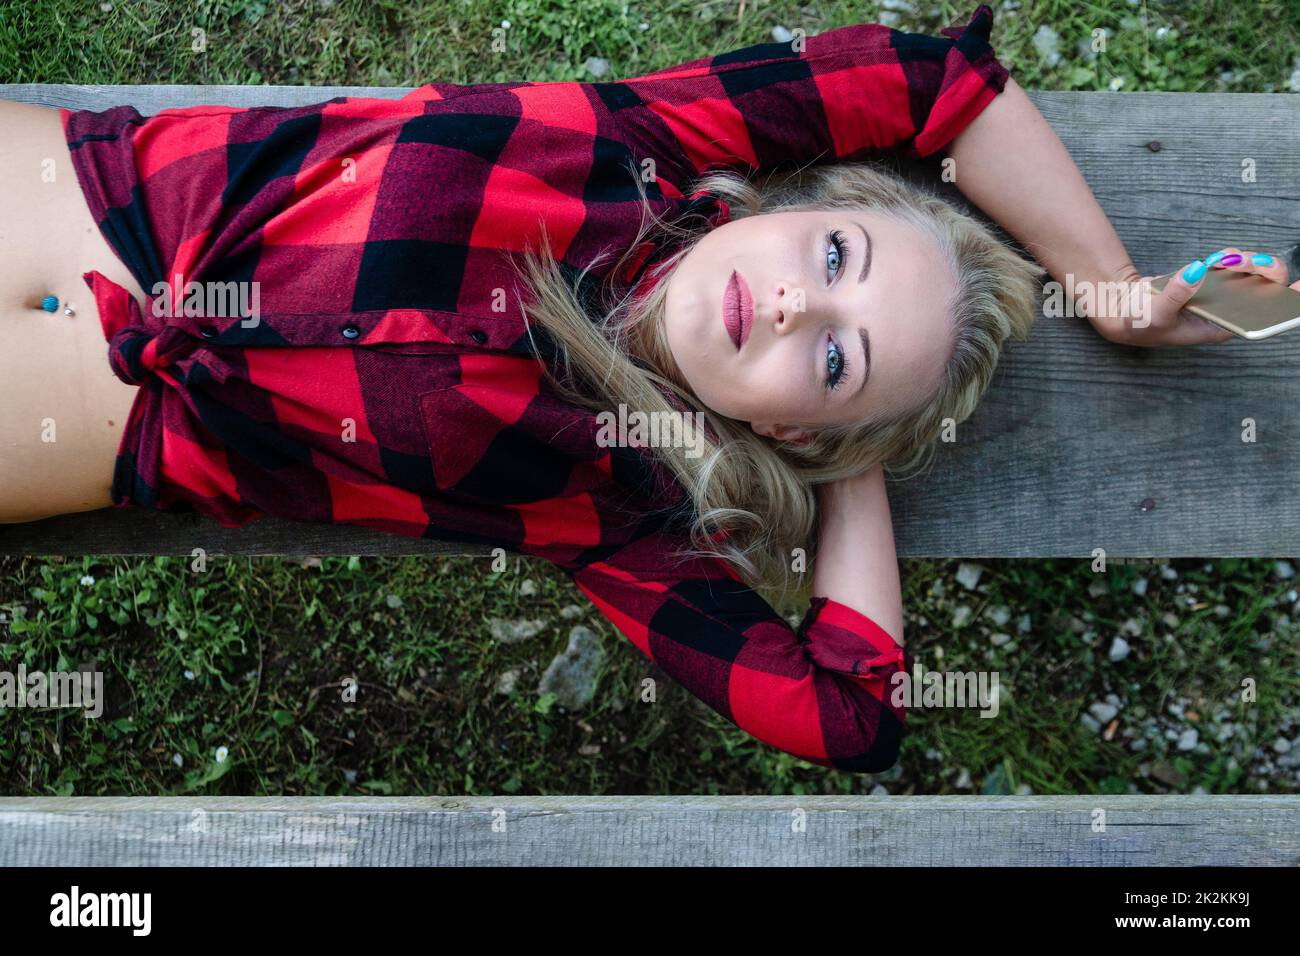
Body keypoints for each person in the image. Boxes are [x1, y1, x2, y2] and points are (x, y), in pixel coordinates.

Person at [2, 5, 1291, 772]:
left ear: (793, 427)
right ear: (796, 205)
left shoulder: (616, 513)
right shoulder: (642, 140)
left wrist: (848, 469)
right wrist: (1112, 296)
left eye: (833, 355)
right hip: (59, 191)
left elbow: (850, 714)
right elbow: (938, 85)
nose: (796, 300)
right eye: (832, 255)